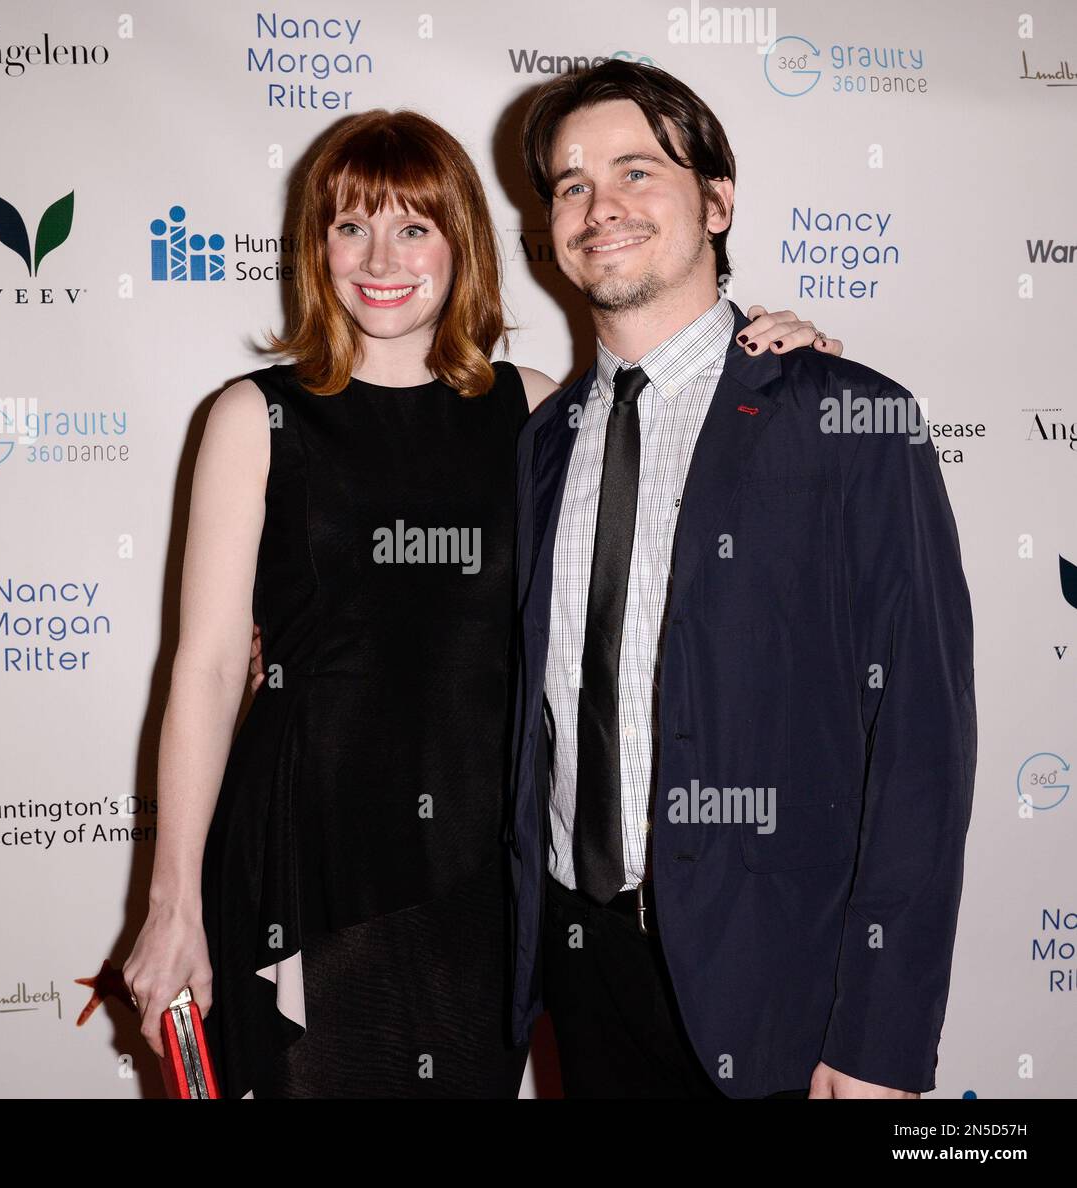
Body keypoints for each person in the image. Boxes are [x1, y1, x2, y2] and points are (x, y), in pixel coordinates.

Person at [122, 105, 838, 1098]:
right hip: (307, 851)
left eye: (414, 226)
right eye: (350, 225)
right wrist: (173, 902)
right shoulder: (255, 416)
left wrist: (776, 349)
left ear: (461, 242)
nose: (381, 255)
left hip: (481, 865)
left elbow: (680, 468)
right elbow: (202, 668)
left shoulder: (537, 406)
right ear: (313, 245)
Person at [507, 59, 976, 1099]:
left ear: (717, 200)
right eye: (572, 184)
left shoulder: (846, 420)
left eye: (638, 170)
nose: (600, 206)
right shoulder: (542, 445)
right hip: (582, 977)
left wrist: (879, 1038)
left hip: (782, 994)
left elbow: (920, 750)